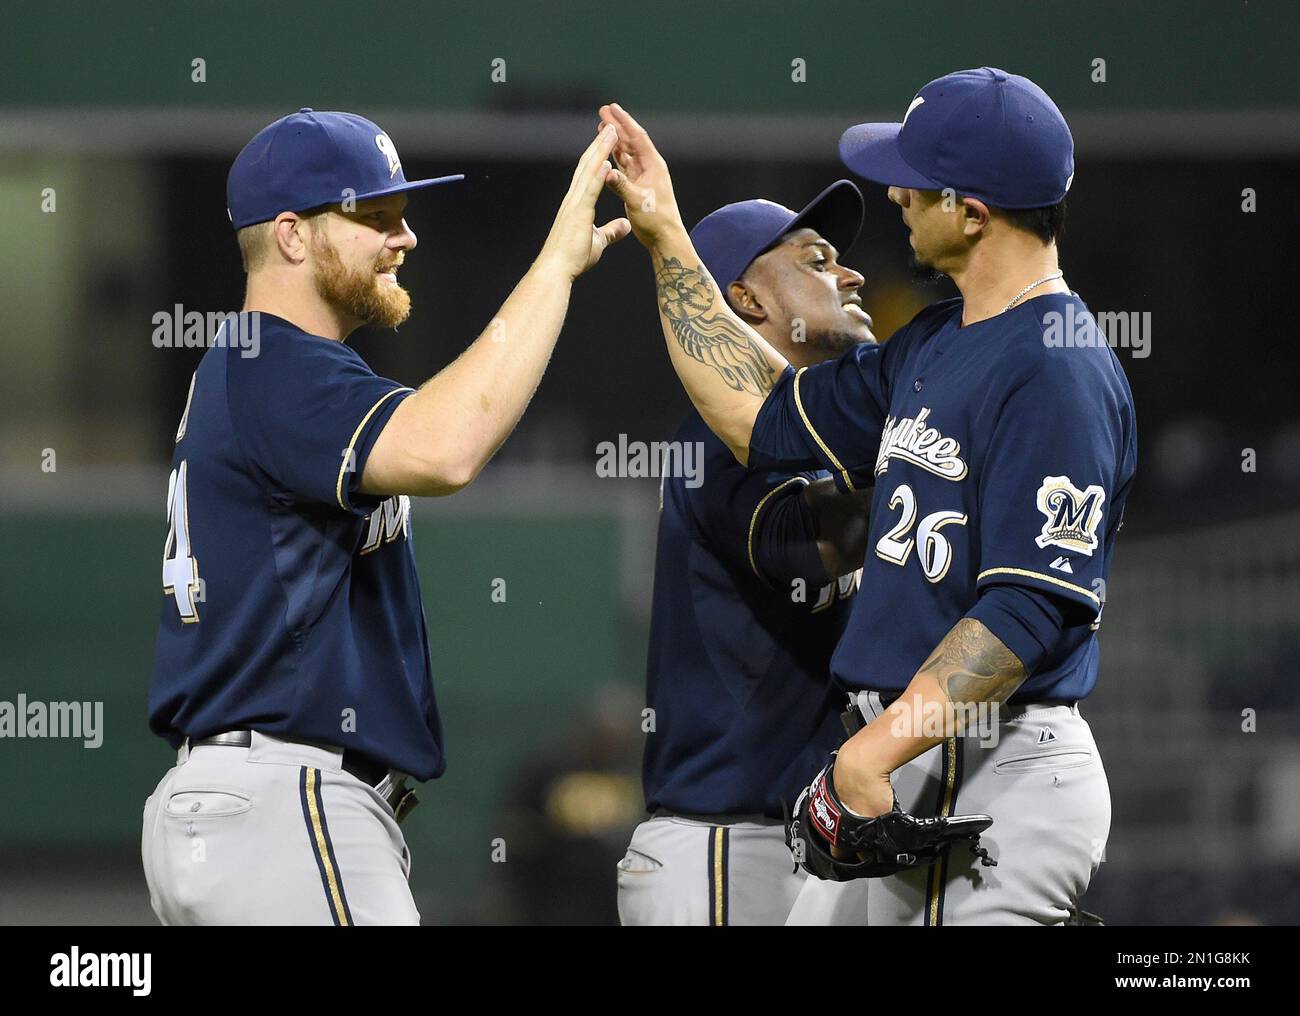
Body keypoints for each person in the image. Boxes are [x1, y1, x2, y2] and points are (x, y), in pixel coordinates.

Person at [598, 66, 1136, 926]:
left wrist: (868, 756)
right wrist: (667, 237)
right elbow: (766, 416)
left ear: (973, 210)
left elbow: (1028, 609)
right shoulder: (929, 344)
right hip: (908, 762)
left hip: (1003, 765)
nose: (896, 192)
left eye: (918, 181)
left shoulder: (1058, 364)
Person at [142, 109, 628, 925]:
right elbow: (447, 448)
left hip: (241, 803)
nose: (404, 238)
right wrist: (555, 267)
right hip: (286, 801)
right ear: (292, 235)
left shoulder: (255, 369)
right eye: (374, 216)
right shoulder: (276, 362)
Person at [619, 183, 875, 925]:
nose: (851, 274)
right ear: (747, 300)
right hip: (728, 849)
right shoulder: (721, 441)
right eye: (817, 260)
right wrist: (942, 464)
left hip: (795, 848)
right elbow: (821, 543)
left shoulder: (820, 442)